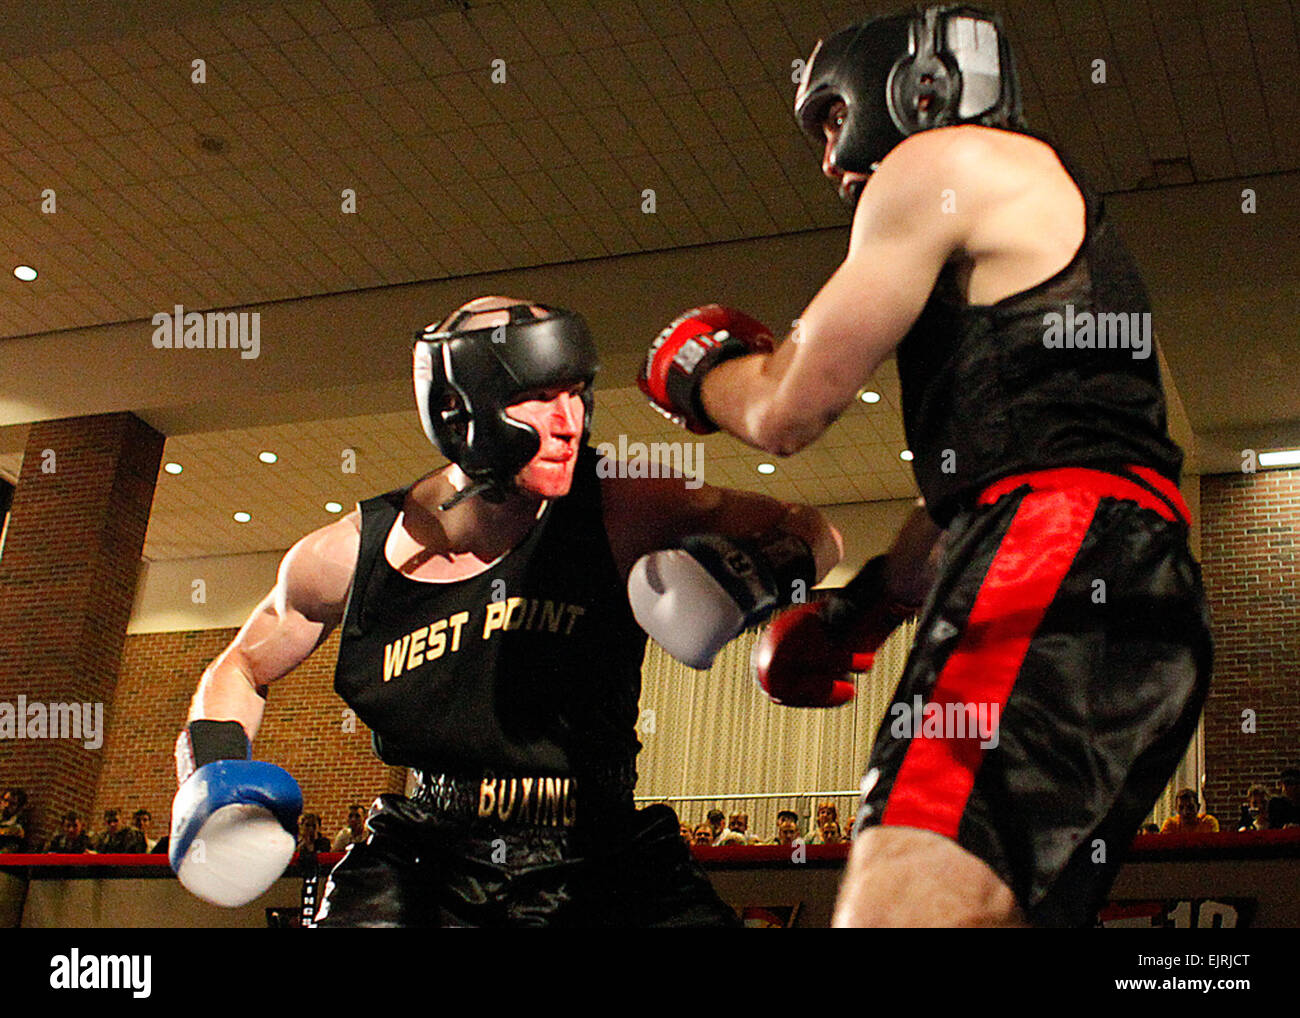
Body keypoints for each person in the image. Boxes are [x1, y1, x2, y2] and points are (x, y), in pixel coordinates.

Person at [639, 5, 1211, 927]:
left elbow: (789, 408)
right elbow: (962, 510)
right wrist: (860, 615)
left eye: (831, 119)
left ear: (910, 88)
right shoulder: (1030, 223)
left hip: (1054, 556)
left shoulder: (938, 163)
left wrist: (698, 374)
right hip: (1116, 584)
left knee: (901, 904)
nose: (831, 161)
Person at [168, 296, 840, 927]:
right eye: (537, 397)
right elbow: (242, 667)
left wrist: (754, 577)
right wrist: (215, 776)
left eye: (575, 393)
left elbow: (811, 528)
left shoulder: (620, 504)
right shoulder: (345, 556)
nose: (568, 421)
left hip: (601, 842)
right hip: (425, 852)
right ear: (461, 409)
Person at [0, 789, 27, 853]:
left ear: (19, 807)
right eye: (6, 801)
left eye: (12, 803)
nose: (7, 805)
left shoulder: (19, 823)